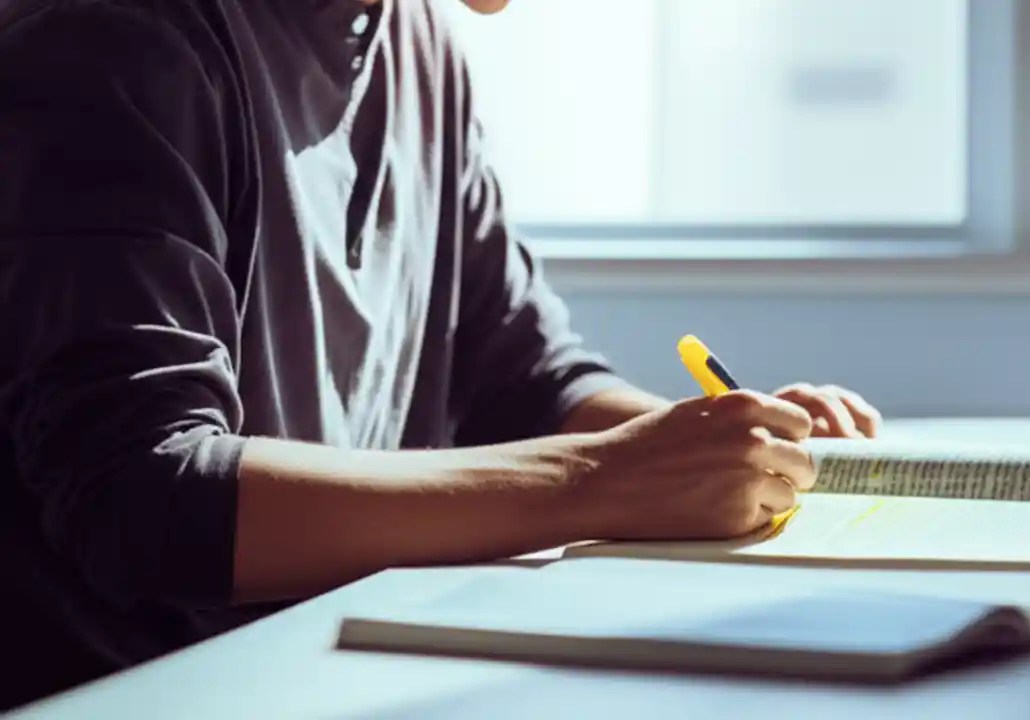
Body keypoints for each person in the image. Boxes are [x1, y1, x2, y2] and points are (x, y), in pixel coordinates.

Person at [0, 0, 880, 707]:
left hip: (340, 669)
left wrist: (730, 447)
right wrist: (608, 480)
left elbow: (526, 380)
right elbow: (141, 499)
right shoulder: (108, 42)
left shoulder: (417, 39)